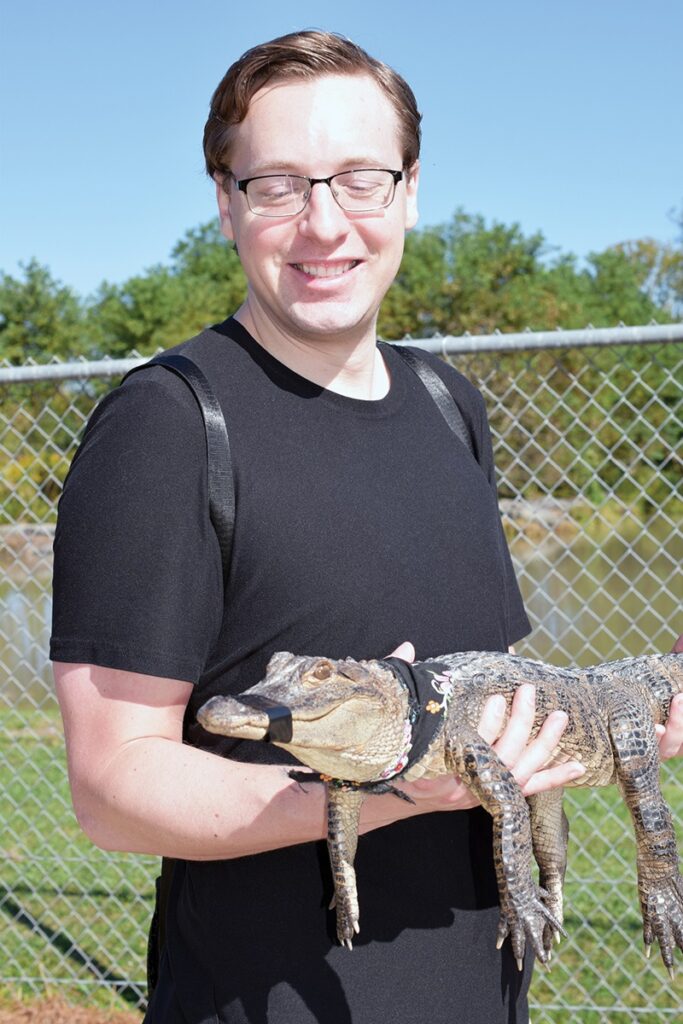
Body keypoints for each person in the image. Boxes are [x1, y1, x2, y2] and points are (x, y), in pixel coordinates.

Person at [51, 30, 683, 1024]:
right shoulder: (168, 425)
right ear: (225, 202)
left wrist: (618, 722)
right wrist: (390, 789)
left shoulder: (446, 402)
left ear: (409, 192)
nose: (322, 223)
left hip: (483, 989)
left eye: (357, 179)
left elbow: (487, 692)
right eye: (278, 184)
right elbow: (111, 786)